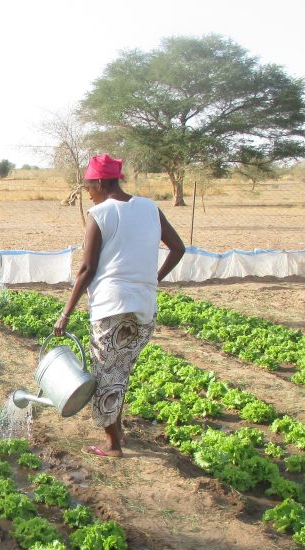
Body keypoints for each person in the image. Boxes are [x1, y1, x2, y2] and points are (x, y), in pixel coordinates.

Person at [53, 153, 186, 458]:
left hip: (111, 308)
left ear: (100, 182)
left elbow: (86, 269)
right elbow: (178, 248)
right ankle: (118, 430)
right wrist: (152, 280)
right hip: (144, 309)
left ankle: (112, 445)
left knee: (105, 375)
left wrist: (66, 313)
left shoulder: (100, 214)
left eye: (89, 186)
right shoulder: (149, 208)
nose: (88, 192)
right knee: (120, 371)